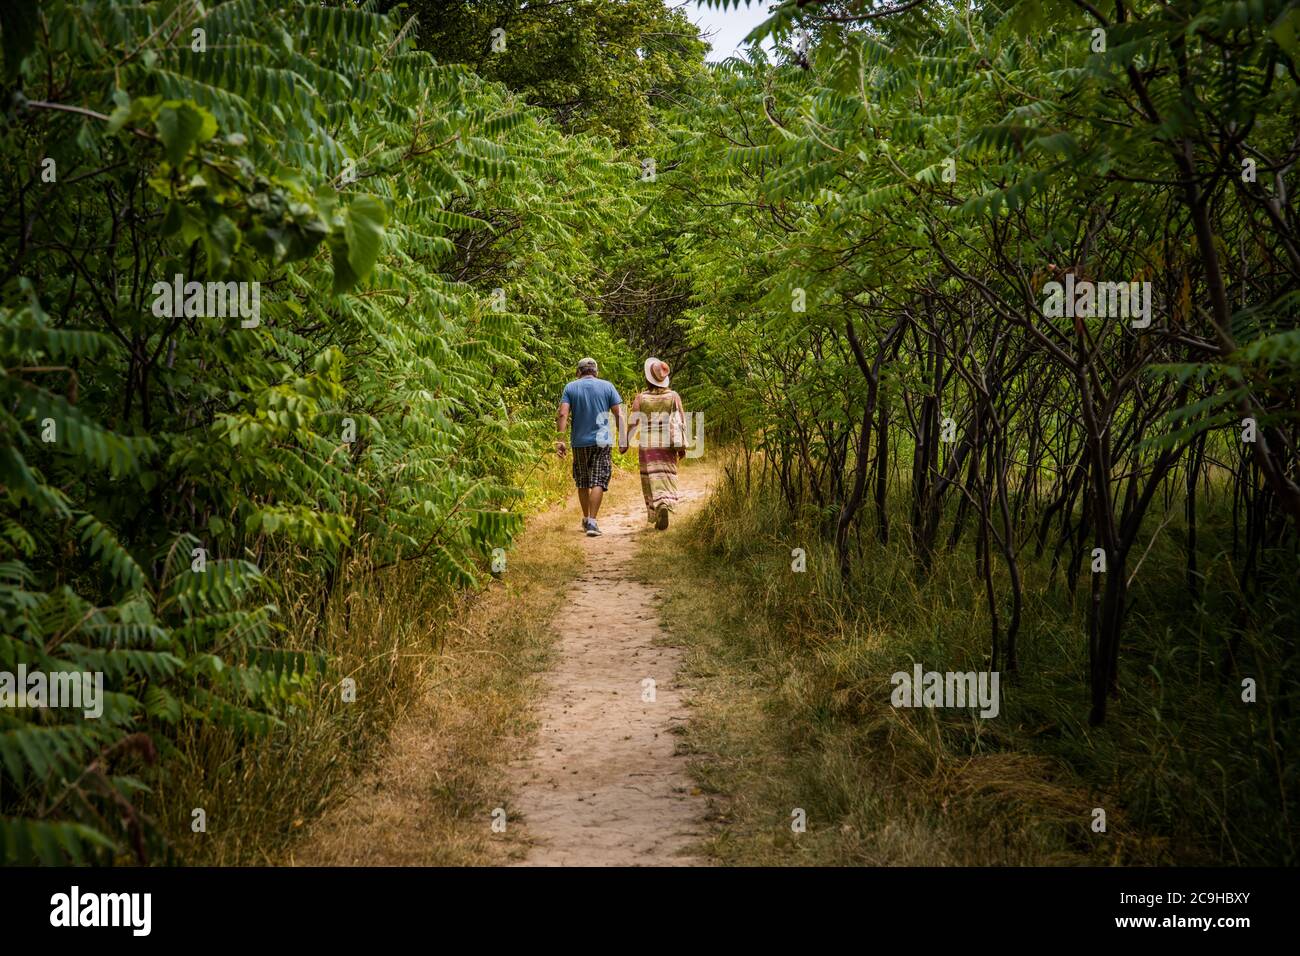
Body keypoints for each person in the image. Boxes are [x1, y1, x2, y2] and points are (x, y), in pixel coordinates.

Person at [556, 357, 624, 537]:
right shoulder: (607, 386)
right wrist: (623, 438)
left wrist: (560, 440)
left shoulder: (570, 387)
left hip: (579, 442)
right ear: (596, 371)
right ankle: (592, 522)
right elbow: (619, 414)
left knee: (583, 481)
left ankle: (586, 518)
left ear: (578, 372)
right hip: (603, 441)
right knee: (598, 480)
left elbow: (563, 414)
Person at [624, 357, 685, 530]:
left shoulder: (641, 398)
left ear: (648, 378)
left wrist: (625, 442)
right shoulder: (673, 396)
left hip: (648, 445)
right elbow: (681, 420)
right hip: (668, 444)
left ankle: (657, 509)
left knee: (651, 477)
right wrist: (682, 446)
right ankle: (664, 503)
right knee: (666, 475)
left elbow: (633, 422)